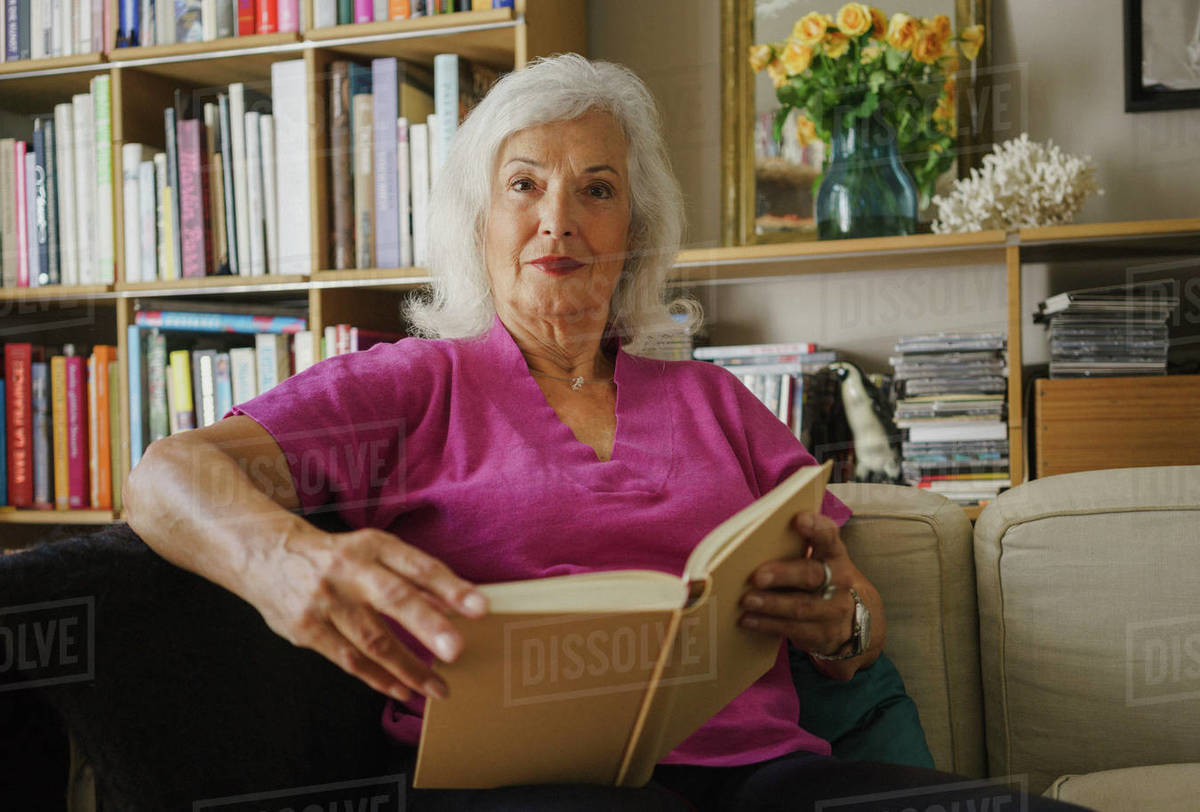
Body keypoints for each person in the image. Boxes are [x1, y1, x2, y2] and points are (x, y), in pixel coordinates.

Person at [124, 54, 1085, 812]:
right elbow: (168, 476)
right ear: (476, 223)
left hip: (765, 779)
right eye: (524, 186)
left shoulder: (715, 400)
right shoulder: (411, 387)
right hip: (517, 786)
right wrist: (283, 561)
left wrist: (841, 619)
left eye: (595, 189)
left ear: (635, 228)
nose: (559, 222)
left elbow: (854, 619)